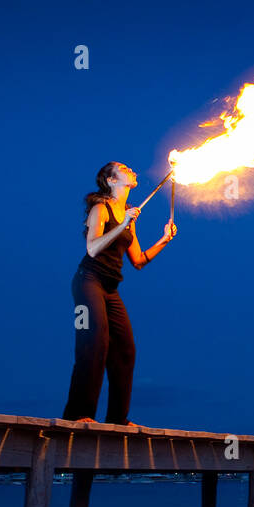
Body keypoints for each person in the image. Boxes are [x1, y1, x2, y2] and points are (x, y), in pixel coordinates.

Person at [61, 162, 177, 426]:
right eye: (123, 168)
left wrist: (163, 240)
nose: (131, 169)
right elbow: (92, 248)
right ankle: (78, 415)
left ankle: (117, 419)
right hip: (88, 282)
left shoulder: (128, 213)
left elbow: (138, 259)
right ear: (112, 181)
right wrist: (122, 223)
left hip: (111, 288)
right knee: (94, 343)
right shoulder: (100, 209)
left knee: (126, 350)